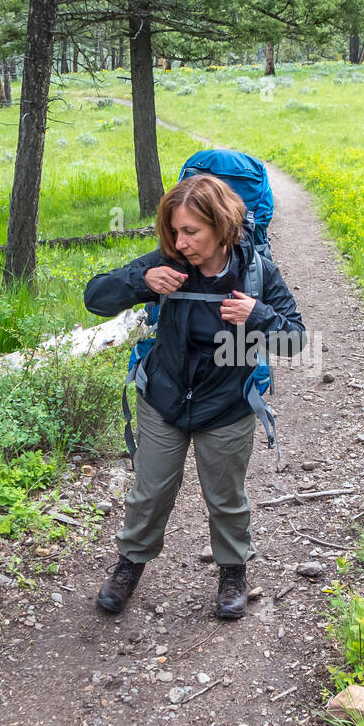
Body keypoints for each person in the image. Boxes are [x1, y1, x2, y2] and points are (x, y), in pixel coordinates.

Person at [83, 174, 307, 618]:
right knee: (149, 492)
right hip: (163, 398)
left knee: (225, 497)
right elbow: (95, 298)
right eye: (174, 232)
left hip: (227, 405)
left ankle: (232, 573)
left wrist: (258, 315)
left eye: (191, 232)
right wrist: (140, 279)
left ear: (221, 226)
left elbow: (296, 341)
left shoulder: (257, 271)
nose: (180, 243)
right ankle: (128, 567)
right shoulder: (168, 264)